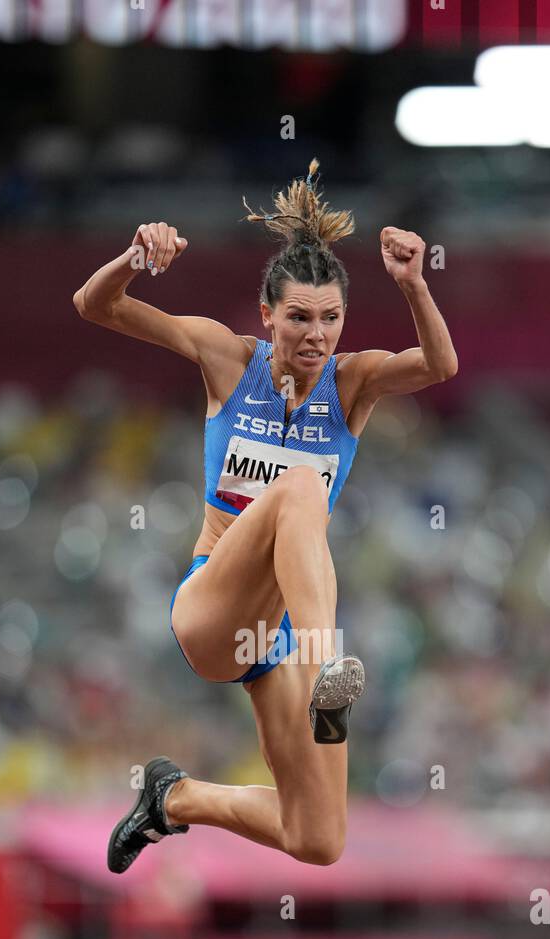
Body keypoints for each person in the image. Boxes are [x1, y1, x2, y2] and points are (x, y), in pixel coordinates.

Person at [73, 158, 457, 870]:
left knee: (318, 838)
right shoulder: (227, 358)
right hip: (213, 609)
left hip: (274, 639)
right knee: (303, 489)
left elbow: (439, 366)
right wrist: (133, 258)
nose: (317, 337)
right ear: (266, 316)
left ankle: (172, 800)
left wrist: (414, 285)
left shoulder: (354, 383)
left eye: (332, 319)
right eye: (300, 318)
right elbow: (96, 306)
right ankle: (326, 671)